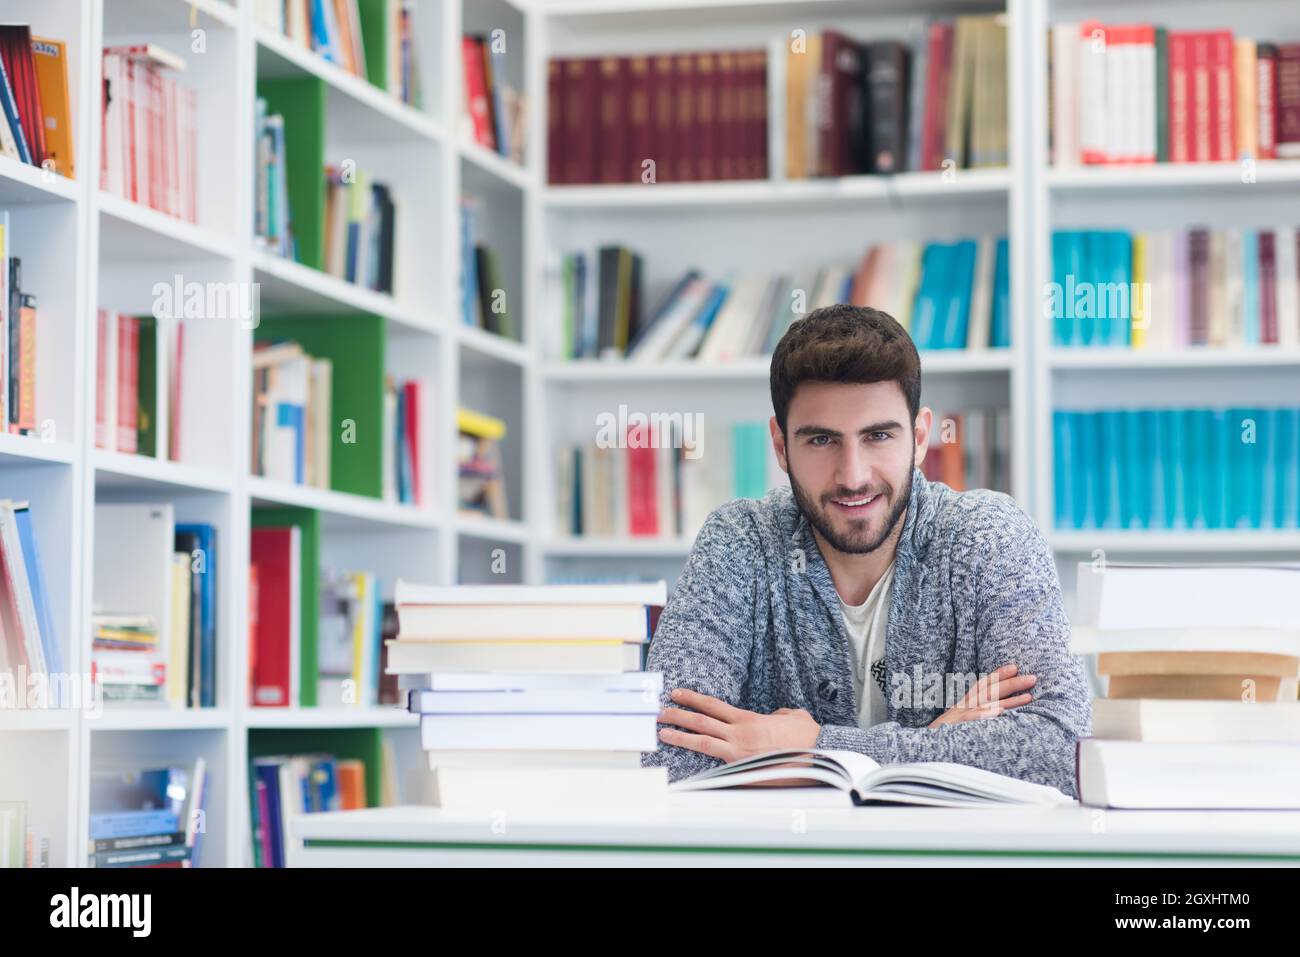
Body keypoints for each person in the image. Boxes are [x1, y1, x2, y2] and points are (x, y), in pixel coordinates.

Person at [643, 304, 1092, 797]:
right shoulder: (739, 543)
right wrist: (938, 742)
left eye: (878, 436)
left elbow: (1062, 749)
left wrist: (817, 749)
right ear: (780, 445)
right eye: (821, 440)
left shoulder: (987, 539)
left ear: (920, 438)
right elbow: (663, 753)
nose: (853, 475)